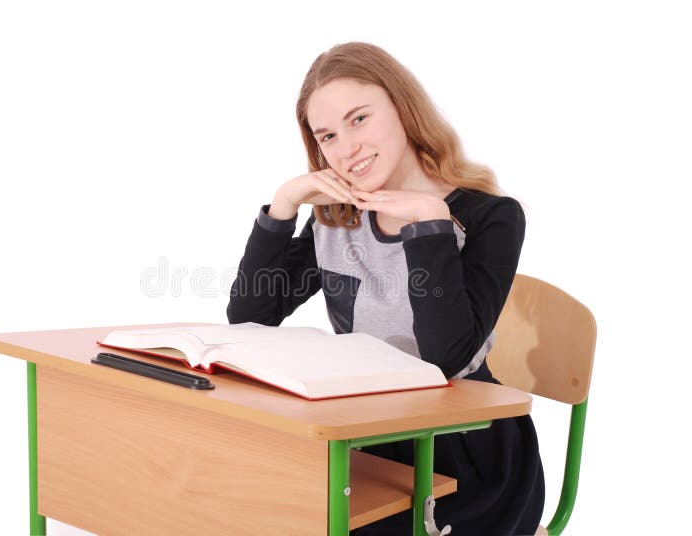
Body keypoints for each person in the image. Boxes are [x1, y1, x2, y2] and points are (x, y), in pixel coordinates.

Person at [226, 42, 544, 535]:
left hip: (461, 450)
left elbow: (446, 358)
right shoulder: (336, 218)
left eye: (359, 119)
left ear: (402, 107)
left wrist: (429, 224)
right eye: (328, 136)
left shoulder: (490, 217)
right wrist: (283, 205)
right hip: (363, 435)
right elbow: (251, 318)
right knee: (240, 499)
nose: (346, 148)